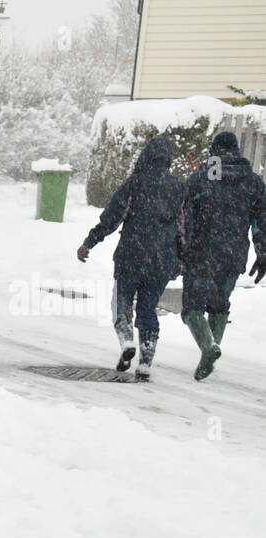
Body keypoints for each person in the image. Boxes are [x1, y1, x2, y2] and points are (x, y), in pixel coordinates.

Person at [76, 136, 184, 381]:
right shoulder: (179, 188)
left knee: (121, 302)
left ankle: (126, 340)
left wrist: (90, 242)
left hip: (131, 255)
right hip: (161, 260)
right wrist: (181, 258)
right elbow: (182, 228)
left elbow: (113, 217)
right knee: (148, 308)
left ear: (146, 156)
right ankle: (146, 360)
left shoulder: (135, 183)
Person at [178, 130, 265, 381]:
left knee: (192, 307)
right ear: (237, 152)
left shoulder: (199, 179)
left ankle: (209, 347)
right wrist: (263, 251)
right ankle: (213, 346)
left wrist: (181, 249)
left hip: (201, 253)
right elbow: (262, 222)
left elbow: (184, 220)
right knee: (219, 304)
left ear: (213, 152)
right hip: (233, 256)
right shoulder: (253, 183)